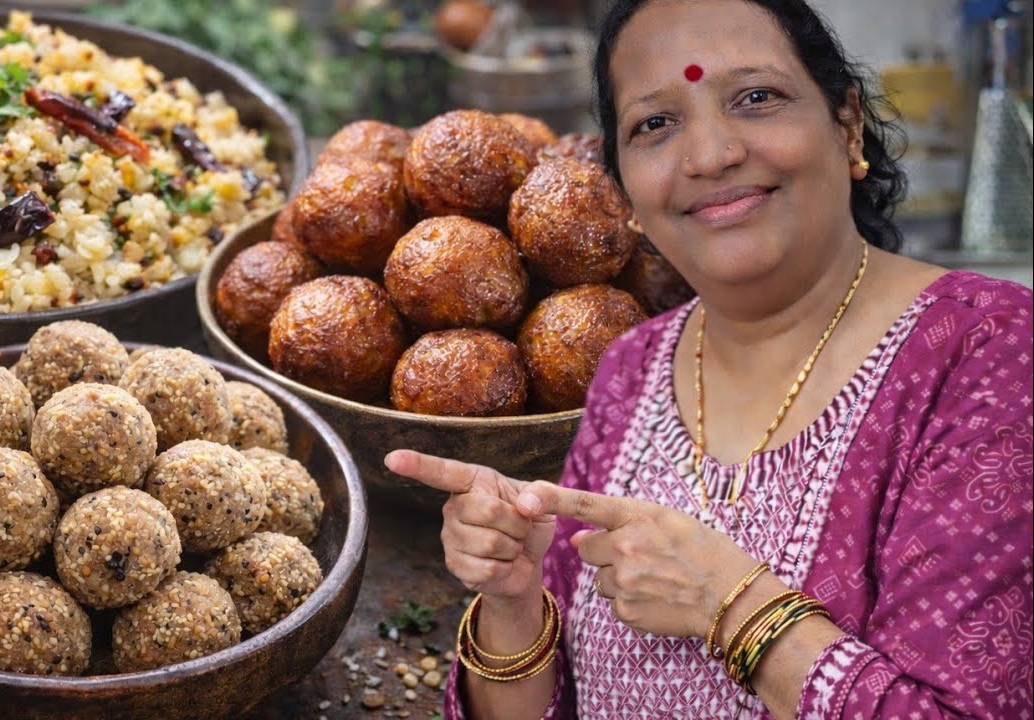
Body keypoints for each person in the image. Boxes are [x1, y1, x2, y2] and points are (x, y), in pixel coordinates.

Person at [384, 0, 1034, 718]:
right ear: (624, 187)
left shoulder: (987, 349)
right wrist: (512, 600)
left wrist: (732, 605)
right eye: (655, 124)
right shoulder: (631, 369)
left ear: (847, 123)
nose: (710, 155)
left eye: (756, 98)